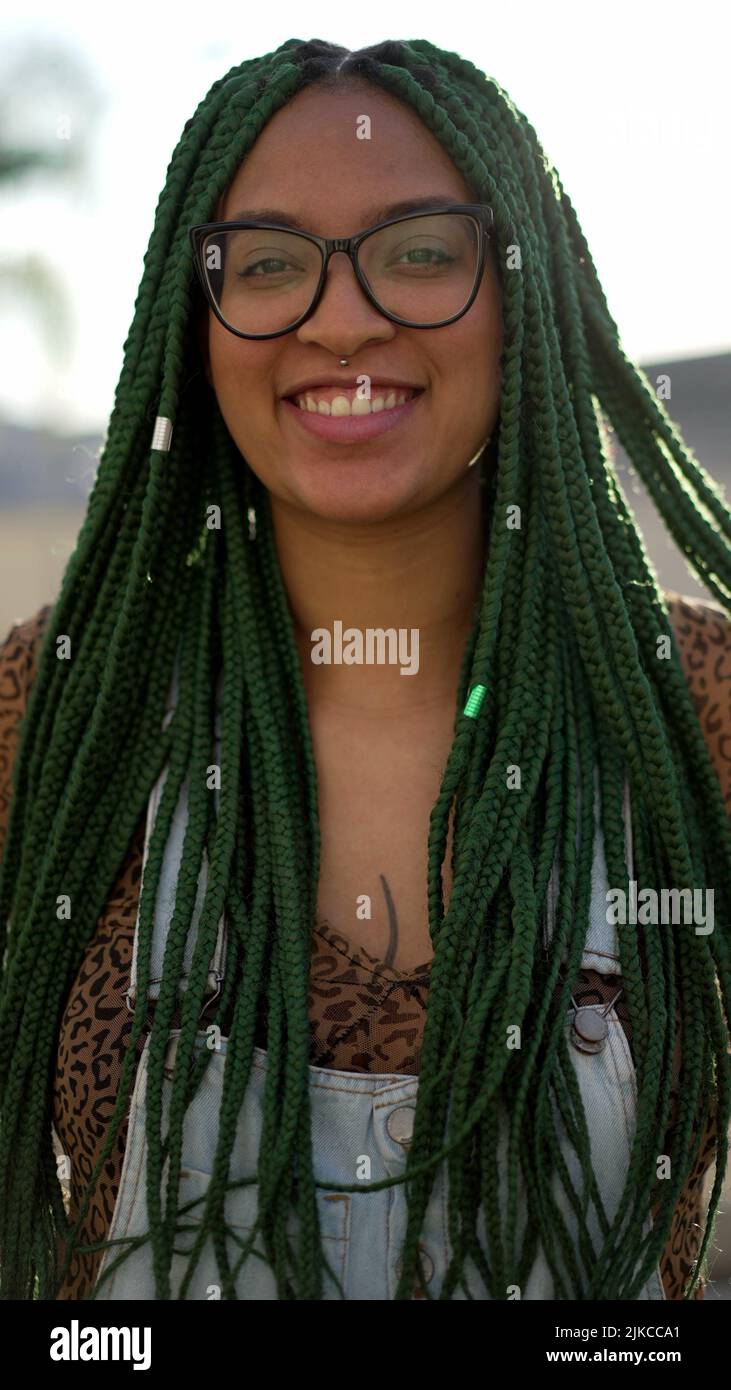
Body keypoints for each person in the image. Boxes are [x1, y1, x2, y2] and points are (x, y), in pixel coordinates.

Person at [0, 36, 729, 1302]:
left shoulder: (699, 708)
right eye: (270, 264)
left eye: (421, 252)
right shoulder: (49, 715)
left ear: (526, 296)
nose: (342, 318)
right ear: (194, 316)